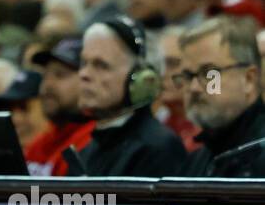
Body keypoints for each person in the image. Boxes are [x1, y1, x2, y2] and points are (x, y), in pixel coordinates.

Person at [76, 15, 187, 176]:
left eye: (101, 65)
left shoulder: (159, 149)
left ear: (142, 79)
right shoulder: (88, 150)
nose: (84, 74)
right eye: (83, 63)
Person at [178, 17, 265, 177]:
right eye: (188, 75)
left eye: (209, 74)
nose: (194, 87)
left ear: (249, 79)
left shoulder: (259, 151)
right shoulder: (197, 159)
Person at [24, 37, 95, 176]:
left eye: (60, 75)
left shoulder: (94, 143)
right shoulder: (41, 142)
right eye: (45, 75)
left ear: (88, 80)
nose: (47, 85)